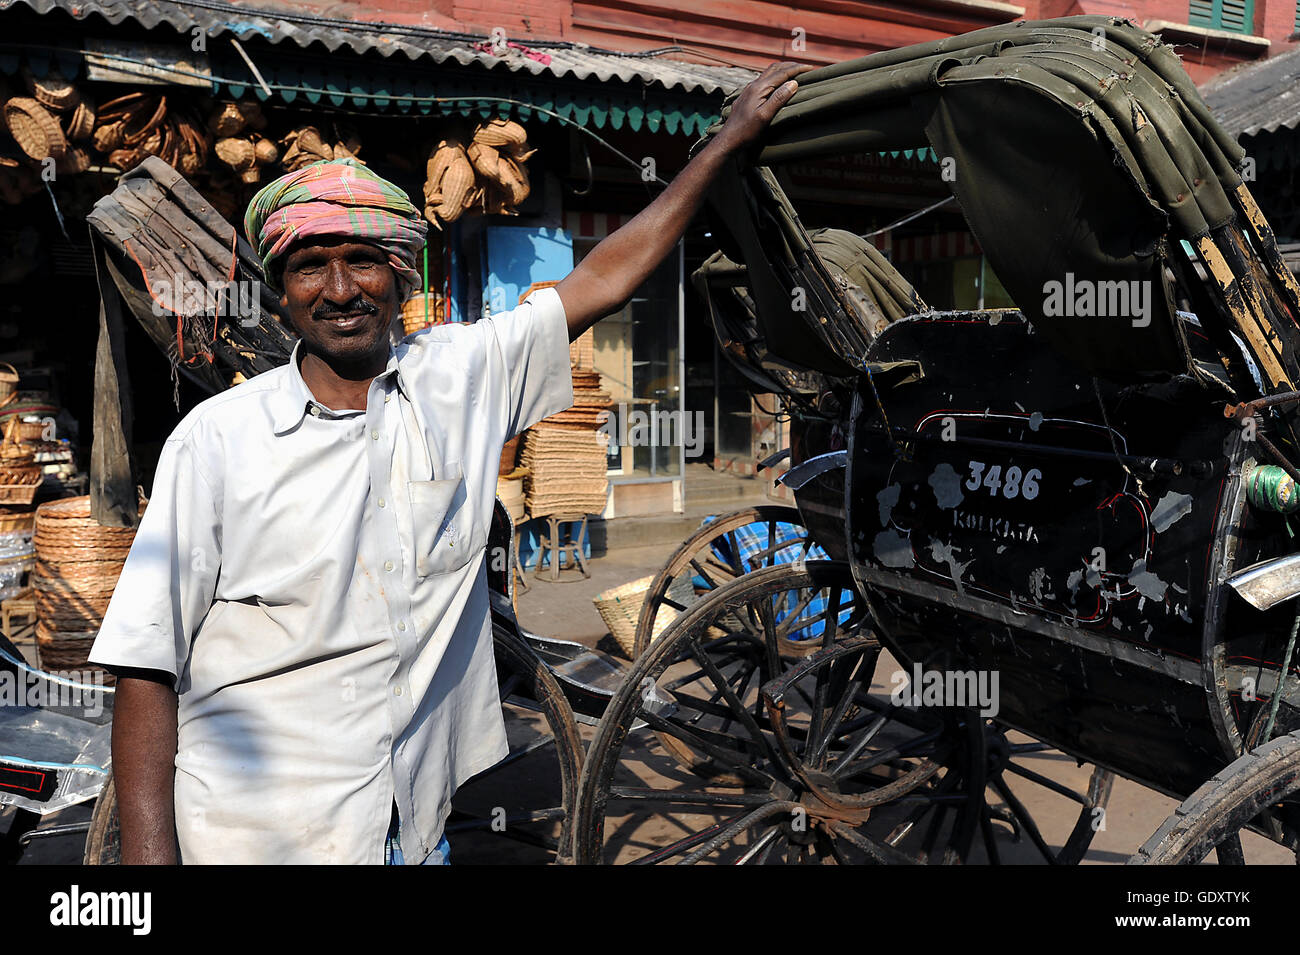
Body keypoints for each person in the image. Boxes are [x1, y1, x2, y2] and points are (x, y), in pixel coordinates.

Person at [89, 61, 808, 864]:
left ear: (400, 277)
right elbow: (145, 664)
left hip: (410, 825)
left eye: (363, 260)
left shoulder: (460, 376)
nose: (339, 288)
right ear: (281, 290)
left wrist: (717, 152)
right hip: (255, 835)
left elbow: (602, 278)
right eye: (308, 265)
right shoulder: (215, 440)